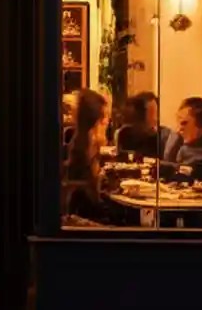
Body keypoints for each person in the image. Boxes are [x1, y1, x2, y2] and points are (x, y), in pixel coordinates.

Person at [63, 89, 111, 222]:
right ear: (95, 120)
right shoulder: (86, 144)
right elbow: (90, 194)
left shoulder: (82, 140)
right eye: (104, 116)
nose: (107, 121)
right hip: (85, 216)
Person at [114, 92, 172, 160]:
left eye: (155, 112)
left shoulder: (164, 136)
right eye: (151, 112)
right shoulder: (125, 134)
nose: (156, 118)